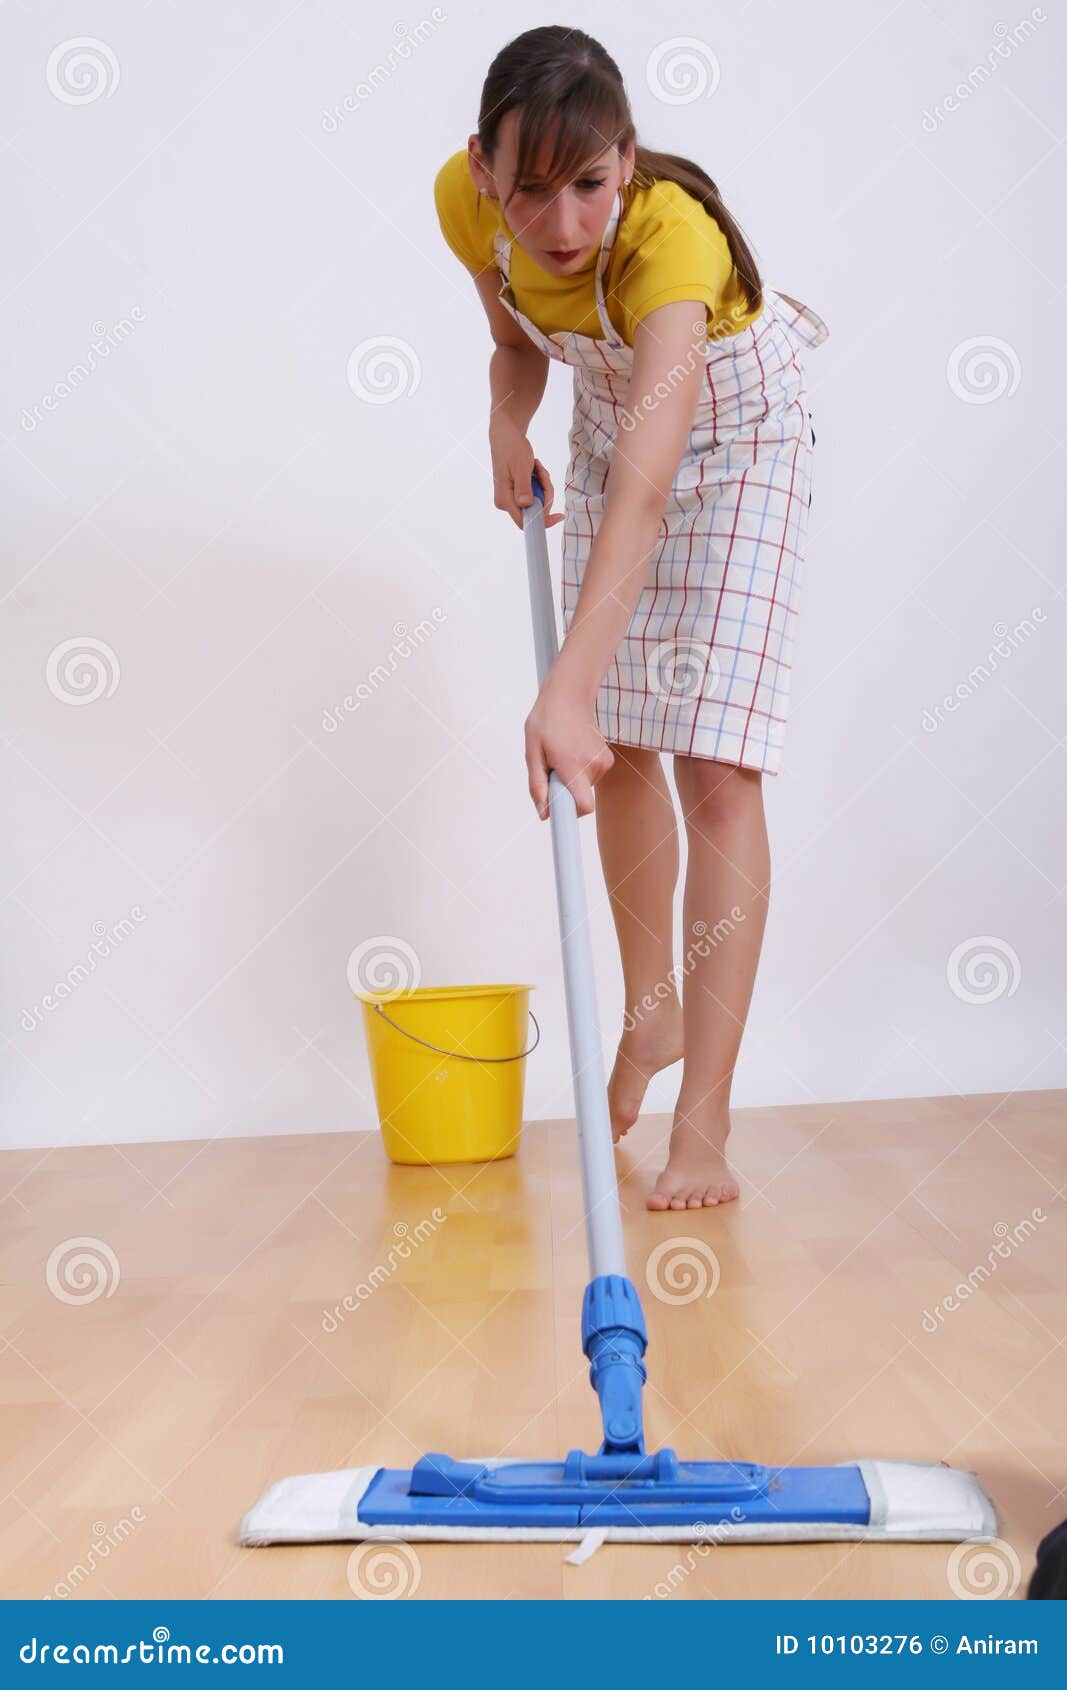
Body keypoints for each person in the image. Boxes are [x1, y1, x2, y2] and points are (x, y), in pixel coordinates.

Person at [433, 25, 828, 1212]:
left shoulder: (671, 245)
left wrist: (558, 693)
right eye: (532, 189)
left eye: (591, 185)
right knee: (623, 741)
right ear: (484, 168)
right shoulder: (465, 204)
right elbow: (516, 340)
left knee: (718, 766)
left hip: (733, 444)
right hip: (618, 424)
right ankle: (645, 1013)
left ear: (629, 161)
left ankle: (701, 1125)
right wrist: (507, 422)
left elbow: (651, 491)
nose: (561, 225)